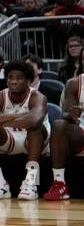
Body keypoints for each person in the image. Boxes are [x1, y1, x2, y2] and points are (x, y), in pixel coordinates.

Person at [0, 61, 49, 200]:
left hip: (34, 141)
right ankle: (0, 181)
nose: (13, 81)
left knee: (35, 128)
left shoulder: (38, 97)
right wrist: (15, 116)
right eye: (10, 78)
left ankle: (31, 183)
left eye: (19, 78)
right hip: (8, 140)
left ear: (28, 82)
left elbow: (33, 121)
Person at [44, 72, 84, 200]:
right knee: (59, 124)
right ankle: (59, 183)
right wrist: (71, 115)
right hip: (81, 131)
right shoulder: (74, 84)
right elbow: (65, 114)